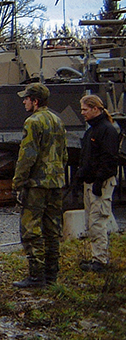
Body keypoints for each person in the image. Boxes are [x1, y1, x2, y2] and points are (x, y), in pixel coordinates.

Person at [11, 83, 68, 288]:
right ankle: (52, 276)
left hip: (36, 184)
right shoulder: (57, 120)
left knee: (31, 230)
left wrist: (18, 182)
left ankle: (36, 276)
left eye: (26, 98)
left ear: (35, 101)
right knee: (53, 229)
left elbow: (27, 156)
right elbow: (64, 154)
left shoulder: (33, 122)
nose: (24, 101)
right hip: (55, 182)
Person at [75, 94, 119, 272]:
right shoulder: (92, 130)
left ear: (95, 109)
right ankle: (96, 257)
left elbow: (109, 159)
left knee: (98, 221)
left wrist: (99, 181)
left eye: (85, 109)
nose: (82, 113)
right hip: (90, 181)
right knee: (91, 222)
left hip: (101, 183)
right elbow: (88, 158)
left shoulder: (107, 130)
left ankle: (100, 260)